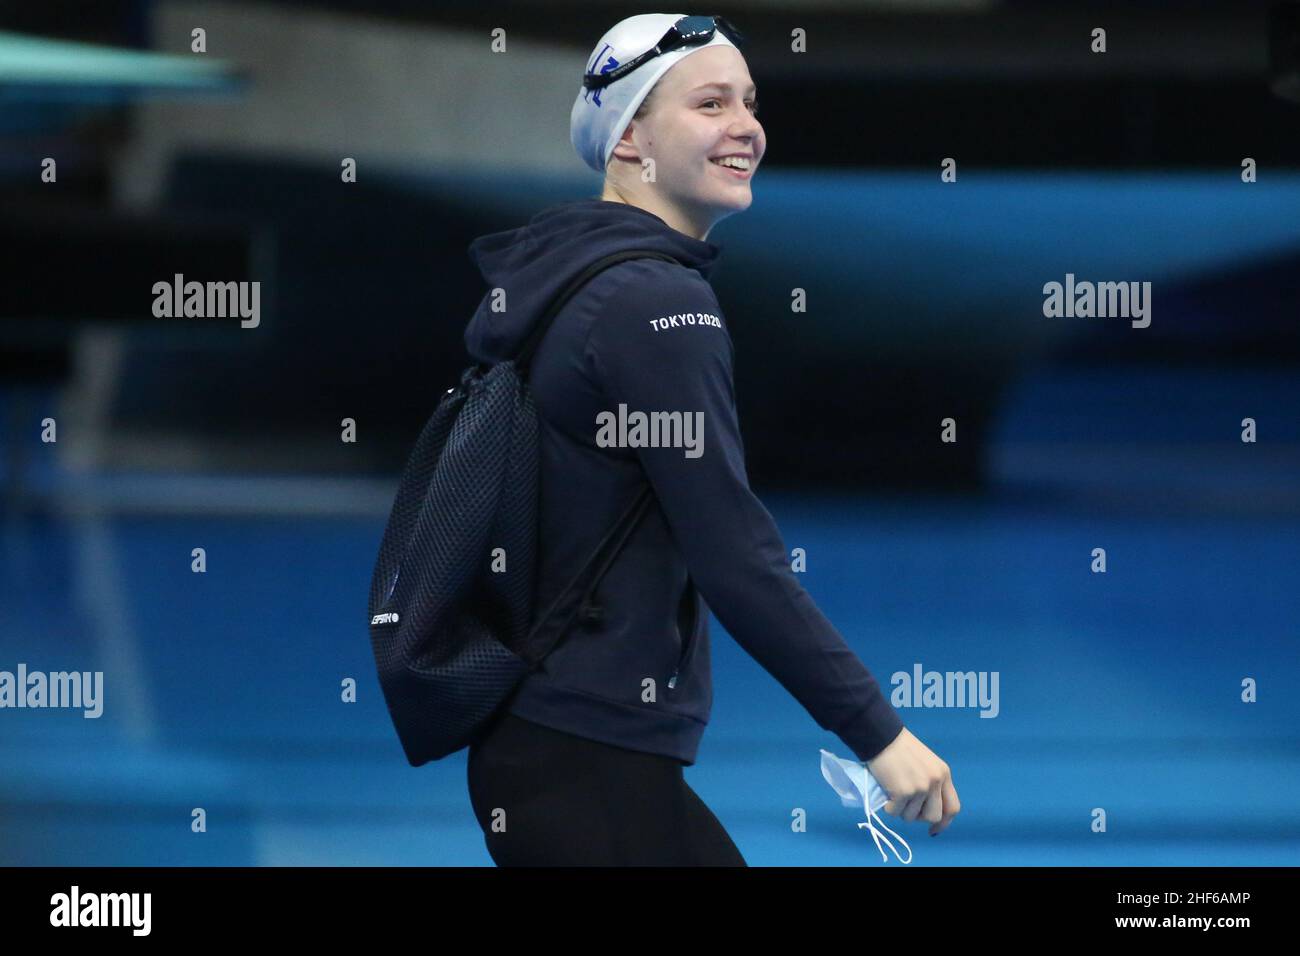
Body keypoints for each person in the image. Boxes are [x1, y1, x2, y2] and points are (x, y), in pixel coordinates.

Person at [463, 13, 959, 866]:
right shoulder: (655, 308)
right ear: (630, 143)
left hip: (552, 744)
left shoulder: (574, 277)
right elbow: (734, 551)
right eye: (710, 103)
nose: (746, 126)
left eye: (751, 102)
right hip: (587, 754)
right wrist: (878, 732)